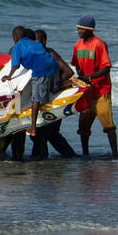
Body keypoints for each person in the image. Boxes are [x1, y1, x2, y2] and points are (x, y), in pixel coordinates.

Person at [71, 15, 118, 157]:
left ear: (89, 30)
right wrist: (82, 78)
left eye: (81, 29)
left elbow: (106, 68)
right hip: (86, 91)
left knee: (107, 124)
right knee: (83, 125)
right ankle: (85, 154)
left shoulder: (99, 44)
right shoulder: (77, 45)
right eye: (78, 29)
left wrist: (89, 77)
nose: (78, 32)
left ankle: (115, 154)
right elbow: (77, 65)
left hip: (101, 90)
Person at [2, 26, 59, 139]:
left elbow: (16, 65)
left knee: (35, 99)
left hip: (40, 70)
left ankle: (33, 128)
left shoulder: (17, 47)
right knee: (49, 87)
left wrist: (8, 76)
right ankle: (61, 85)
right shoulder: (35, 43)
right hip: (53, 65)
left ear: (16, 37)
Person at [31, 29, 80, 158]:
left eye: (37, 41)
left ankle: (42, 161)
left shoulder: (50, 54)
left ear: (44, 41)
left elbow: (69, 72)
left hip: (54, 100)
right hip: (47, 100)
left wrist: (56, 85)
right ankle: (71, 157)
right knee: (50, 134)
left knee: (45, 133)